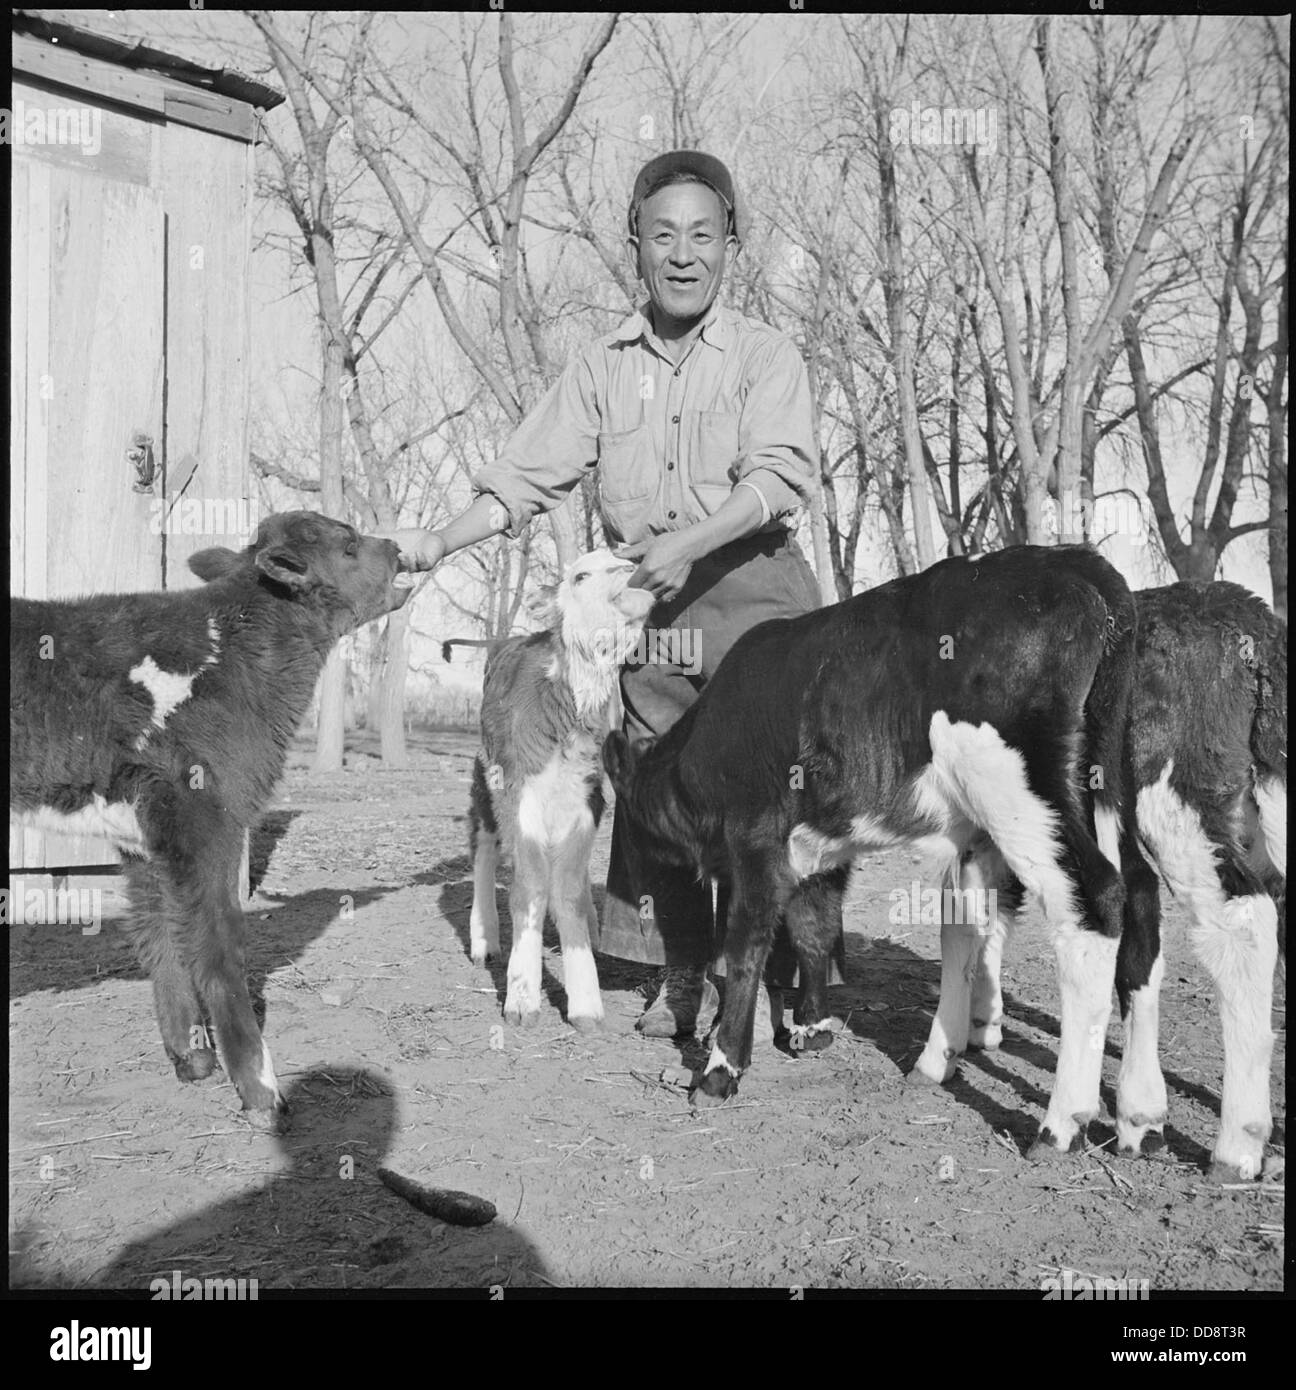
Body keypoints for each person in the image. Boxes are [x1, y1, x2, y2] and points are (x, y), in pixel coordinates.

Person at [382, 150, 841, 1041]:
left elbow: (783, 474)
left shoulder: (764, 355)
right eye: (662, 234)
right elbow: (523, 476)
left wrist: (694, 542)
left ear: (731, 247)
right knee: (659, 777)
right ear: (634, 245)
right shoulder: (600, 367)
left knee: (777, 783)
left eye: (702, 236)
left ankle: (796, 977)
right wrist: (438, 541)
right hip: (652, 614)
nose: (683, 254)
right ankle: (683, 973)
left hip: (756, 597)